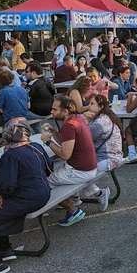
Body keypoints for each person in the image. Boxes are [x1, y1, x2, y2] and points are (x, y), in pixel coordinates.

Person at [0, 118, 52, 273]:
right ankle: (4, 249)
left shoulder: (11, 154)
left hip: (28, 198)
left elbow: (4, 186)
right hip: (43, 192)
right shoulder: (35, 147)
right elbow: (49, 168)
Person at [40, 97, 101, 226]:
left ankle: (73, 210)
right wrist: (53, 131)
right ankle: (71, 201)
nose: (52, 112)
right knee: (53, 170)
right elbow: (65, 142)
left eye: (55, 109)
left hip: (79, 171)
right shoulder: (78, 119)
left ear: (66, 111)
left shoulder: (69, 125)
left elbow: (65, 154)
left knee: (42, 184)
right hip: (88, 167)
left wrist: (48, 141)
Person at [0, 71, 36, 145]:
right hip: (23, 117)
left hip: (9, 119)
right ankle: (0, 140)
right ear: (13, 80)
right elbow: (28, 106)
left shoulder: (3, 92)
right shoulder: (23, 90)